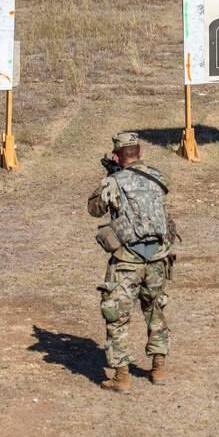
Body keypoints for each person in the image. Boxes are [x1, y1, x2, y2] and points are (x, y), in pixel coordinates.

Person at [88, 131, 176, 390]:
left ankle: (121, 376)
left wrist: (109, 179)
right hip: (159, 257)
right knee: (155, 310)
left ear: (117, 156)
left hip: (128, 260)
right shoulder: (158, 177)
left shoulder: (114, 182)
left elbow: (94, 209)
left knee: (117, 315)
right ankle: (158, 367)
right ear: (139, 153)